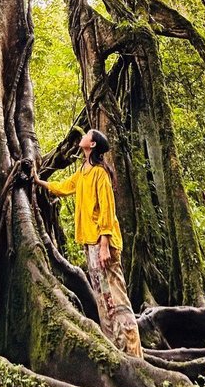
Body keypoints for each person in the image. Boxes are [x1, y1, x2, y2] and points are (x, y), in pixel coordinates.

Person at [33, 128, 143, 358]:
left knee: (117, 297)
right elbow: (64, 187)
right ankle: (116, 352)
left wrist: (104, 245)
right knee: (102, 298)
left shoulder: (100, 174)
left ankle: (134, 355)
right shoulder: (83, 171)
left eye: (88, 135)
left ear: (92, 145)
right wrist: (38, 181)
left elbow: (107, 211)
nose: (82, 136)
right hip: (90, 242)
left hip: (104, 244)